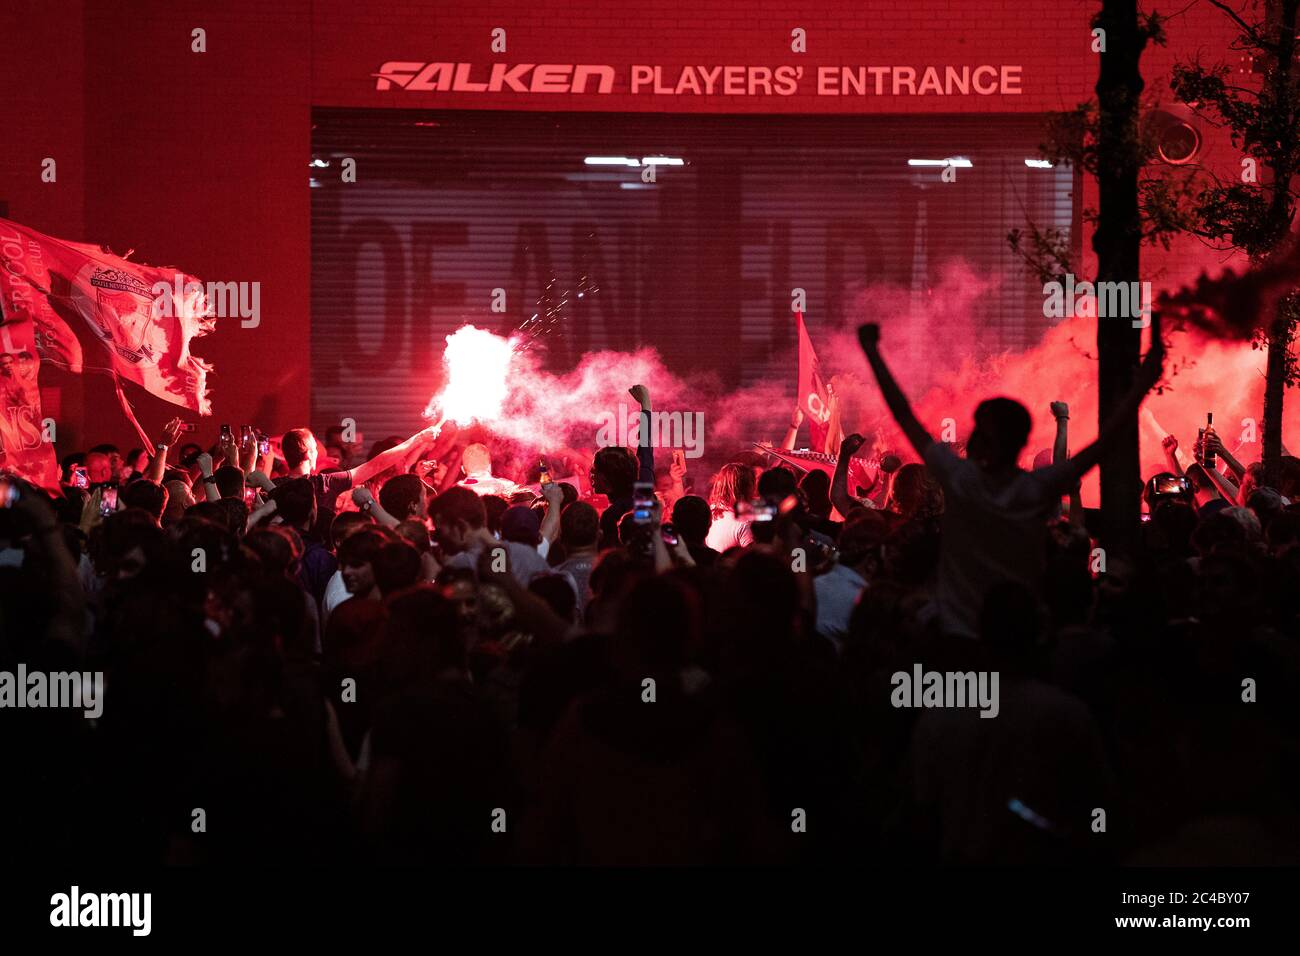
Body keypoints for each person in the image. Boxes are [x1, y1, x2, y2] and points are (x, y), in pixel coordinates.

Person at [857, 321, 1164, 638]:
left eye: (981, 430)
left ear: (990, 441)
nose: (973, 436)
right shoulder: (1034, 488)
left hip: (960, 638)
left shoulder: (960, 478)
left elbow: (904, 415)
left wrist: (872, 352)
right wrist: (1143, 382)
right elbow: (1105, 444)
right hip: (1016, 637)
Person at [592, 384, 655, 549]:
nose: (591, 475)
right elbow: (645, 447)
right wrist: (646, 405)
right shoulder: (643, 495)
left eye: (595, 471)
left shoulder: (610, 517)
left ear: (607, 478)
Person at [704, 462, 755, 553]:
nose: (754, 490)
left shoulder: (709, 511)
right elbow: (752, 561)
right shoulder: (744, 524)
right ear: (746, 488)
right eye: (752, 484)